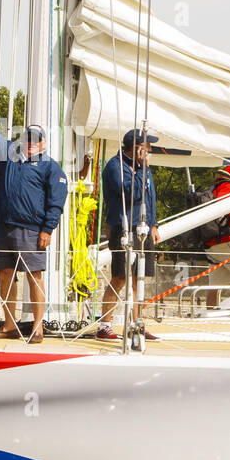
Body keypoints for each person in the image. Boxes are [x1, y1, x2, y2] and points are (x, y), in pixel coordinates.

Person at [0, 125, 68, 343]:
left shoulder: (50, 166)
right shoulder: (10, 160)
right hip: (5, 227)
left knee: (34, 277)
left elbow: (56, 200)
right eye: (27, 138)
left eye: (36, 139)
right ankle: (10, 325)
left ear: (43, 143)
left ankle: (38, 327)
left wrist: (47, 229)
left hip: (32, 229)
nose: (31, 143)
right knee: (4, 275)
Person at [98, 128, 161, 340]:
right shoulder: (115, 166)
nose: (150, 149)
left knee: (139, 279)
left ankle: (136, 324)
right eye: (148, 146)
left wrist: (154, 223)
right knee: (120, 277)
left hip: (143, 228)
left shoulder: (143, 168)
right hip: (123, 228)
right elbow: (129, 192)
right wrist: (143, 169)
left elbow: (149, 196)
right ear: (137, 148)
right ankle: (105, 325)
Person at [203, 164, 230, 310]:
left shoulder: (215, 188)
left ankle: (209, 317)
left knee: (214, 285)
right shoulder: (227, 187)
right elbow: (226, 208)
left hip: (214, 244)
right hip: (226, 242)